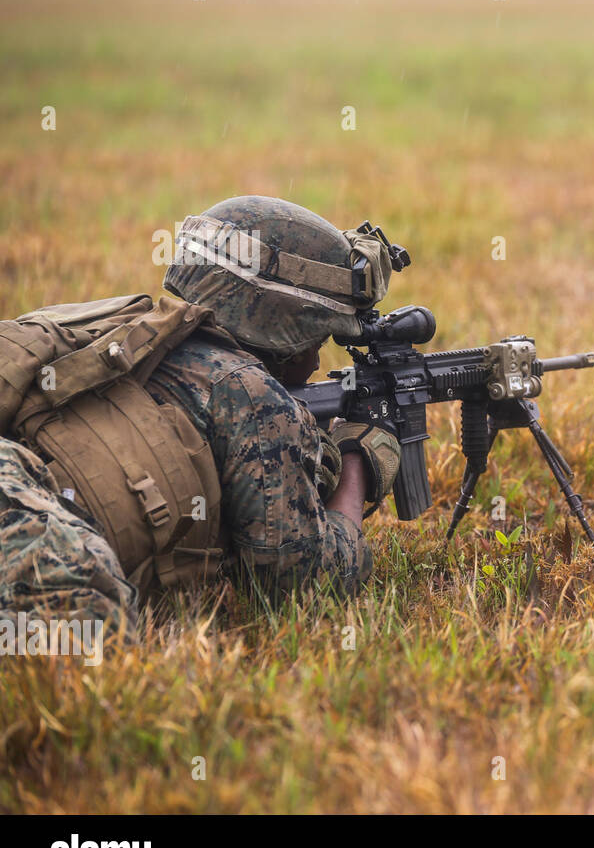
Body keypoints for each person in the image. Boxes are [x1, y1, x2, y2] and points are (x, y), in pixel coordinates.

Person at [0, 196, 404, 641]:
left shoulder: (133, 332)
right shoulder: (252, 395)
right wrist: (357, 466)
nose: (314, 362)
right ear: (279, 323)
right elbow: (302, 587)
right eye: (317, 338)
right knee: (88, 634)